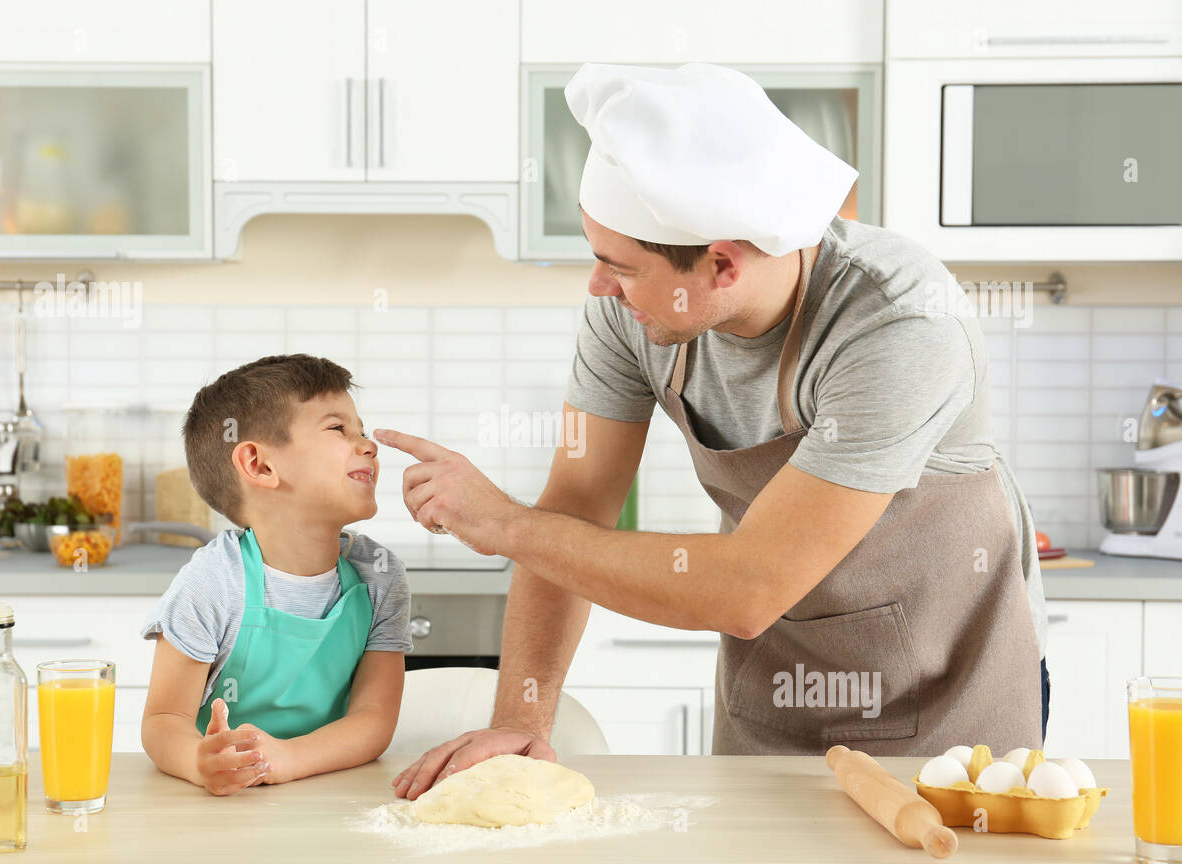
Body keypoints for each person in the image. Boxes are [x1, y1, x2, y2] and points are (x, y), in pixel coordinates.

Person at [374, 62, 1048, 800]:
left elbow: (748, 586)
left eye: (617, 266)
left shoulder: (902, 321)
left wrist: (504, 523)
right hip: (778, 693)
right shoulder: (631, 311)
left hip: (947, 701)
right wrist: (519, 720)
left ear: (721, 263)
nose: (598, 285)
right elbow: (576, 501)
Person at [140, 354, 411, 795]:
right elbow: (162, 721)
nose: (367, 444)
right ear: (260, 466)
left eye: (361, 429)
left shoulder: (380, 578)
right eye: (338, 428)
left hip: (333, 796)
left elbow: (373, 721)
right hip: (226, 810)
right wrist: (197, 761)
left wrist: (285, 759)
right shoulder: (214, 582)